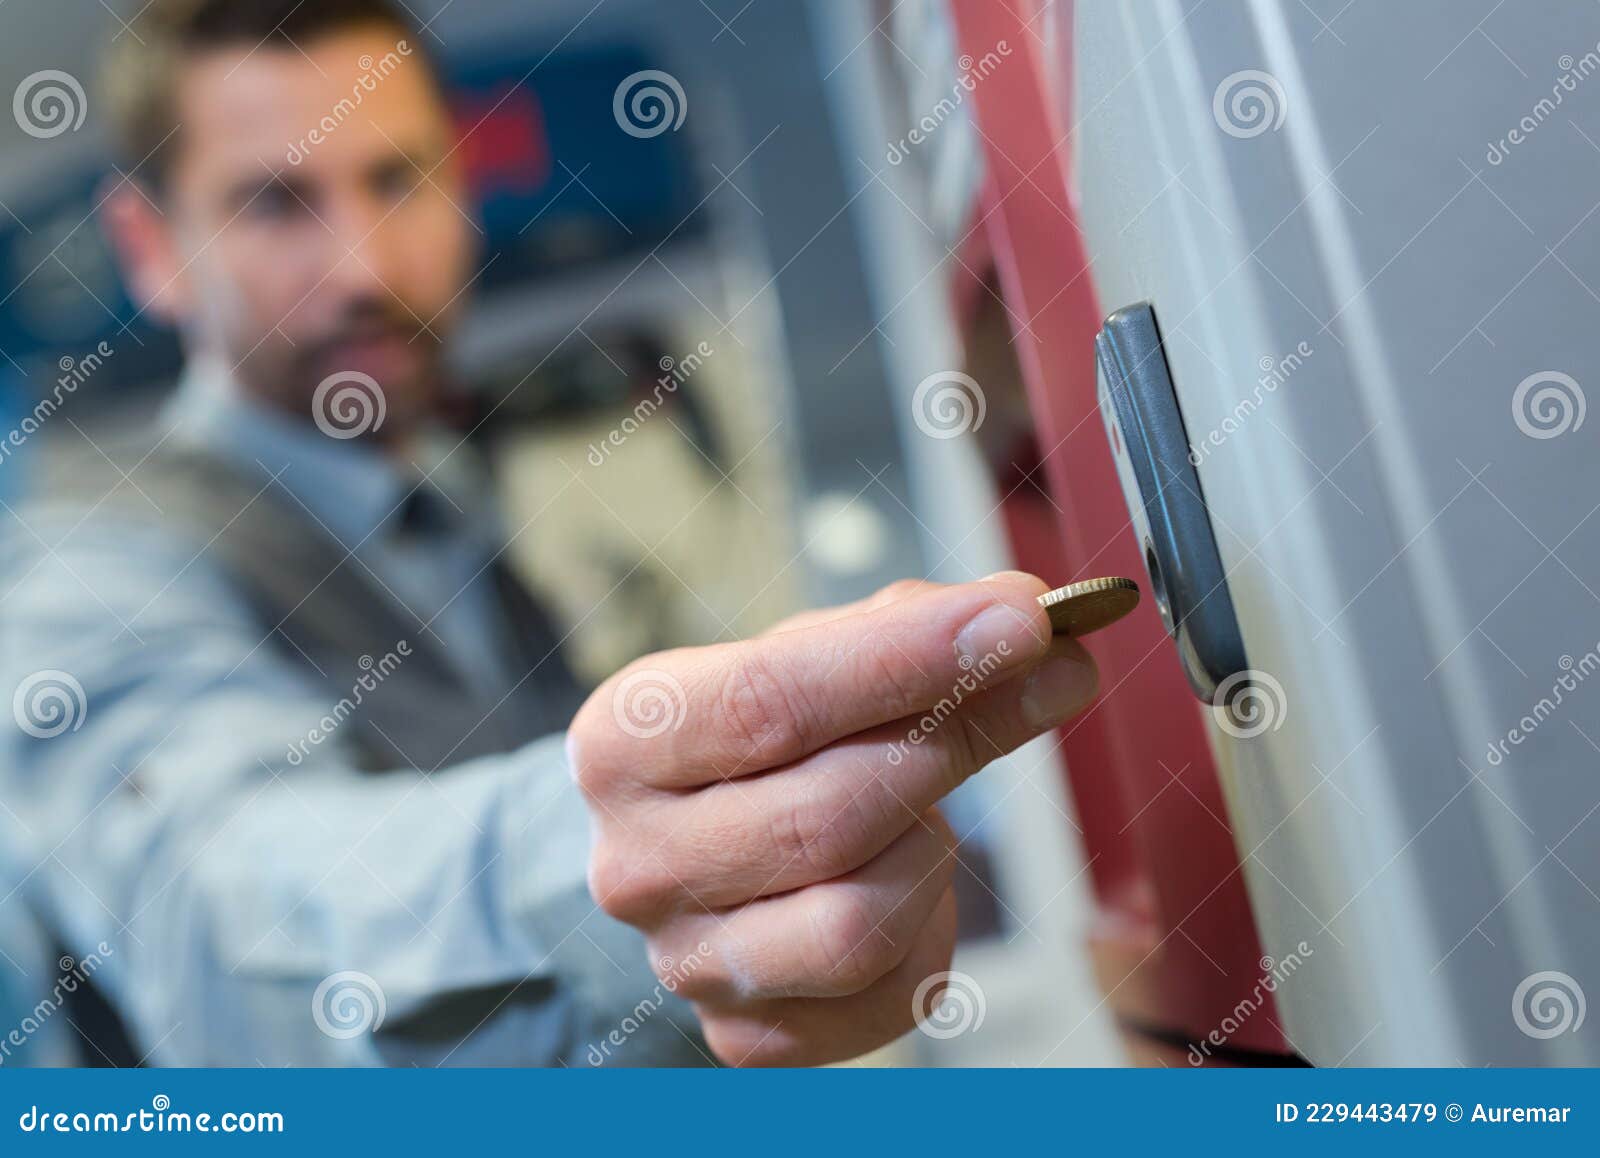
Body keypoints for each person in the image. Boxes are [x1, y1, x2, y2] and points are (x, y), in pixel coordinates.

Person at [0, 0, 1100, 1066]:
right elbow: (214, 905)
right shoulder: (87, 573)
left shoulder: (465, 542)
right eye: (277, 205)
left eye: (398, 179)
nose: (364, 271)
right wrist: (607, 866)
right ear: (151, 247)